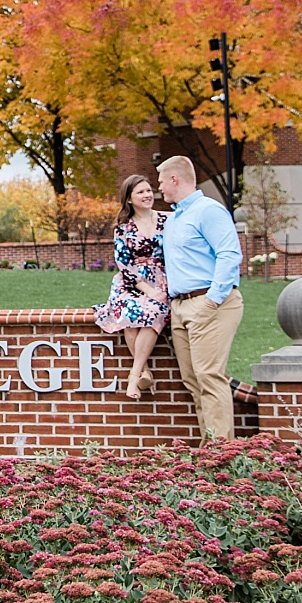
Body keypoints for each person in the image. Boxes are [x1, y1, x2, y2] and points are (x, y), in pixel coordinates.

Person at [156, 155, 244, 441]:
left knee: (209, 376)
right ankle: (209, 447)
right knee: (193, 381)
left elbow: (229, 254)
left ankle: (222, 453)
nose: (159, 188)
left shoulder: (209, 211)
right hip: (180, 306)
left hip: (209, 301)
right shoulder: (175, 219)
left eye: (161, 182)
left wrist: (212, 300)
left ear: (174, 179)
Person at [93, 174, 169, 400]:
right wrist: (147, 289)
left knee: (154, 313)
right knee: (129, 316)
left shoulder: (167, 220)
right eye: (141, 192)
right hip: (131, 282)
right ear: (129, 199)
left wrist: (158, 290)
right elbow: (123, 263)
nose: (147, 195)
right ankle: (141, 373)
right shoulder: (123, 228)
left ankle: (134, 374)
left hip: (160, 279)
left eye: (149, 191)